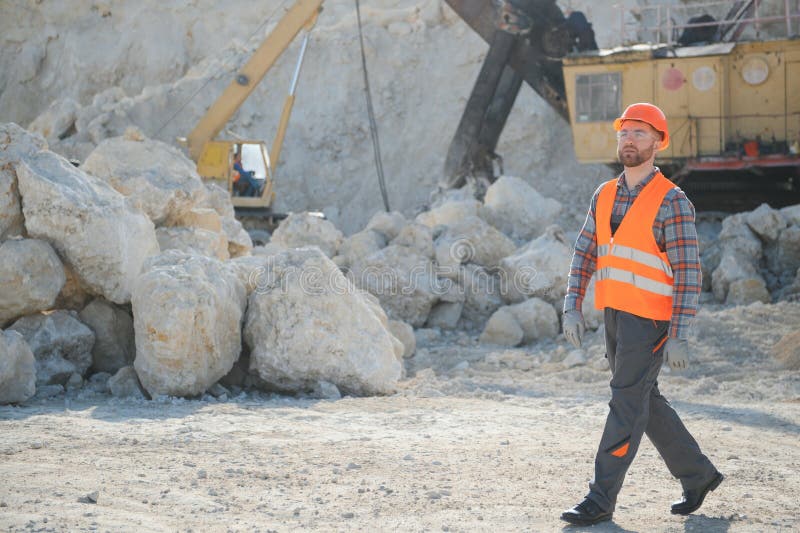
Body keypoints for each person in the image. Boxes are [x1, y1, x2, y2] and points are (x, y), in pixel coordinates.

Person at [560, 103, 723, 526]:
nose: (628, 140)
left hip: (650, 321)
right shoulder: (604, 193)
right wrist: (571, 305)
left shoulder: (672, 201)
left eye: (639, 133)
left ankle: (600, 499)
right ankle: (698, 475)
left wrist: (679, 334)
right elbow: (585, 253)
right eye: (624, 132)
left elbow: (689, 273)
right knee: (641, 397)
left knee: (626, 403)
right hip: (615, 315)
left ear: (657, 143)